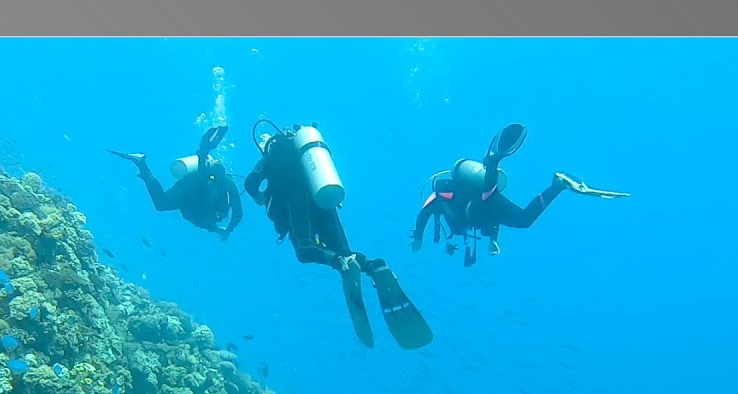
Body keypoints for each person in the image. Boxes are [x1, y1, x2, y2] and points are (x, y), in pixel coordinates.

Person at [244, 120, 432, 350]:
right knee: (346, 252)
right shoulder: (309, 157)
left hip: (297, 200)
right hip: (325, 199)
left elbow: (251, 181)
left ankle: (339, 262)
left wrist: (259, 197)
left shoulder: (275, 151)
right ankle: (373, 266)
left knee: (304, 250)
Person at [412, 123, 629, 267]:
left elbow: (423, 215)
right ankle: (558, 185)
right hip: (487, 204)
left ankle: (492, 160)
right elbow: (490, 220)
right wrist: (494, 241)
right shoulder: (447, 204)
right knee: (524, 220)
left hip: (478, 203)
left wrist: (418, 238)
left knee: (483, 200)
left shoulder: (438, 196)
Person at [109, 126, 242, 239]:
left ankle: (142, 164)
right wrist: (227, 230)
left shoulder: (225, 189)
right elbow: (237, 213)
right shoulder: (228, 185)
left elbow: (237, 213)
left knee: (162, 204)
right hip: (192, 190)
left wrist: (224, 230)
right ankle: (143, 164)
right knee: (164, 203)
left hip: (189, 191)